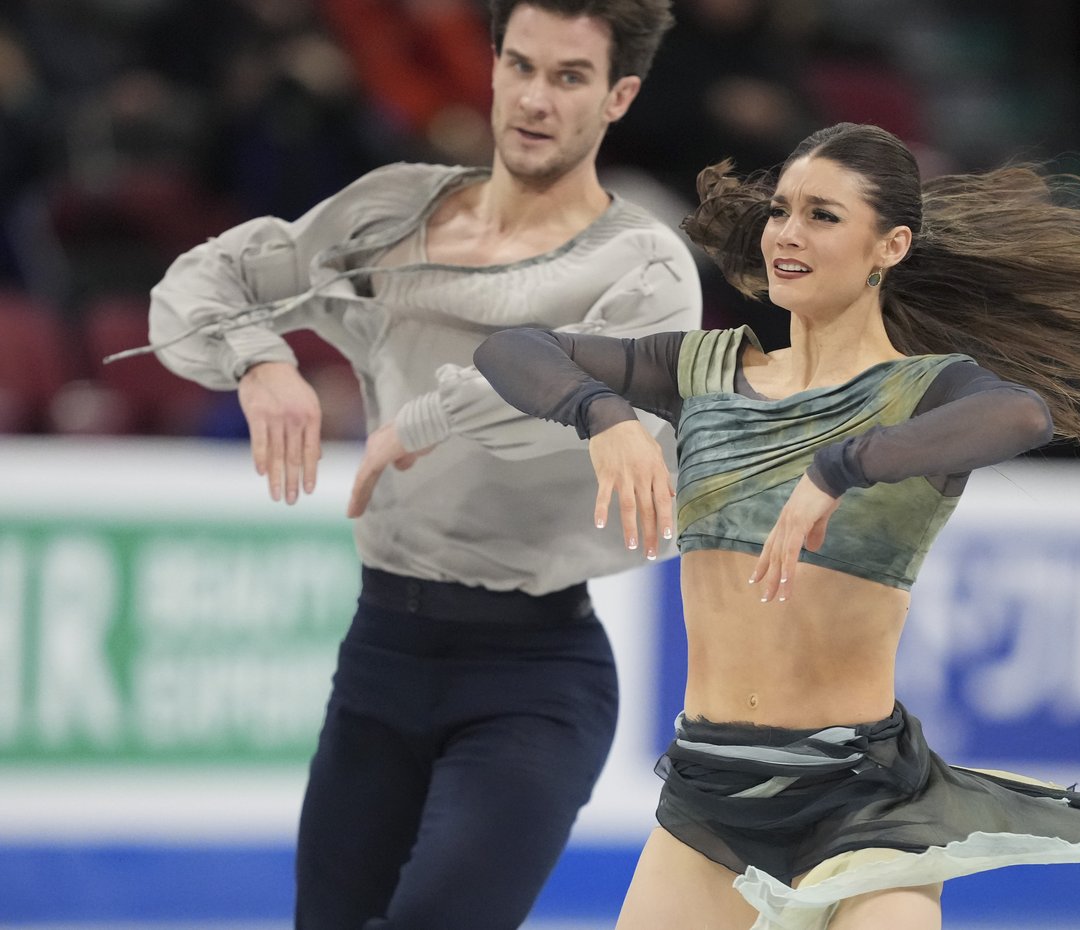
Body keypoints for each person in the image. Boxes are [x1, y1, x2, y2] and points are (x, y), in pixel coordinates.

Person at [473, 123, 1080, 929]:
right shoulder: (706, 370)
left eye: (822, 216)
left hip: (864, 805)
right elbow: (511, 349)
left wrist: (841, 466)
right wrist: (605, 415)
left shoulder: (926, 392)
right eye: (782, 211)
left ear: (892, 248)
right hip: (709, 795)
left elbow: (1020, 415)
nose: (786, 235)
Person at [140, 2, 699, 928]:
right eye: (519, 66)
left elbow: (558, 398)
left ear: (618, 97)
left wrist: (429, 417)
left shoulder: (642, 267)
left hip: (533, 677)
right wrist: (261, 359)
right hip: (380, 658)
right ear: (490, 68)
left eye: (568, 78)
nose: (534, 98)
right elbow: (206, 282)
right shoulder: (394, 210)